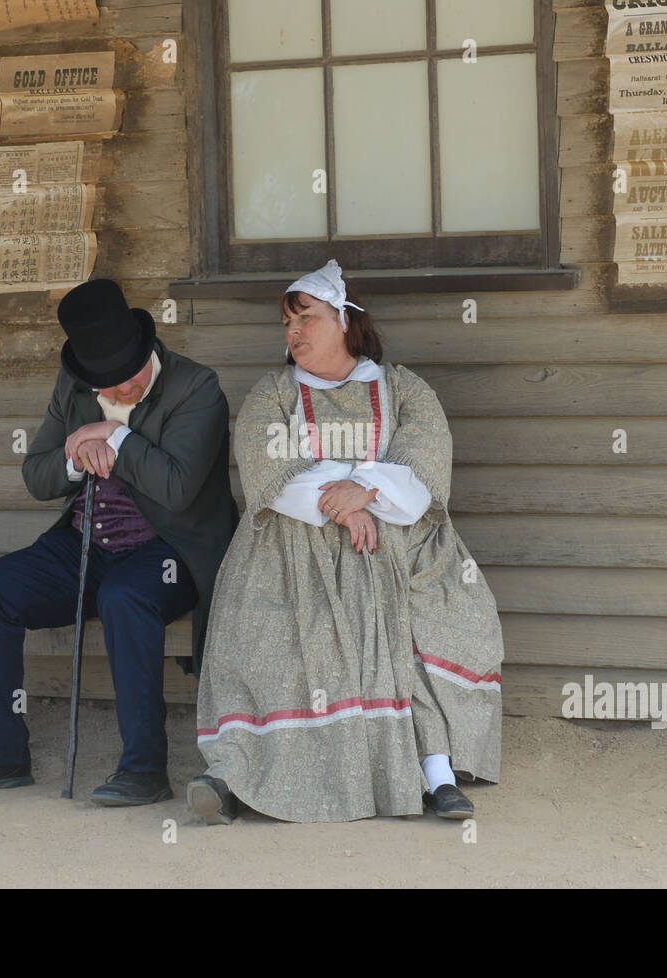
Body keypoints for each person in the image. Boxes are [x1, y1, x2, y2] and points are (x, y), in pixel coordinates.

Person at [187, 259, 504, 824]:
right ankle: (233, 776)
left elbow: (427, 469)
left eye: (305, 317)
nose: (294, 333)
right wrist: (344, 503)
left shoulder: (404, 389)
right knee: (266, 639)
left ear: (345, 320)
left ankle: (437, 774)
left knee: (429, 621)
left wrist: (365, 490)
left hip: (396, 544)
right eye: (287, 324)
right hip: (289, 548)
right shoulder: (273, 394)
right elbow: (267, 470)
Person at [0, 278, 239, 805]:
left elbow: (178, 487)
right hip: (86, 542)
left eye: (130, 377)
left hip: (170, 549)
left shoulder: (197, 387)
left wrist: (115, 438)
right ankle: (2, 755)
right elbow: (37, 477)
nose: (121, 390)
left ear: (147, 347)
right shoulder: (73, 388)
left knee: (124, 595)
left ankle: (143, 770)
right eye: (109, 384)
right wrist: (75, 456)